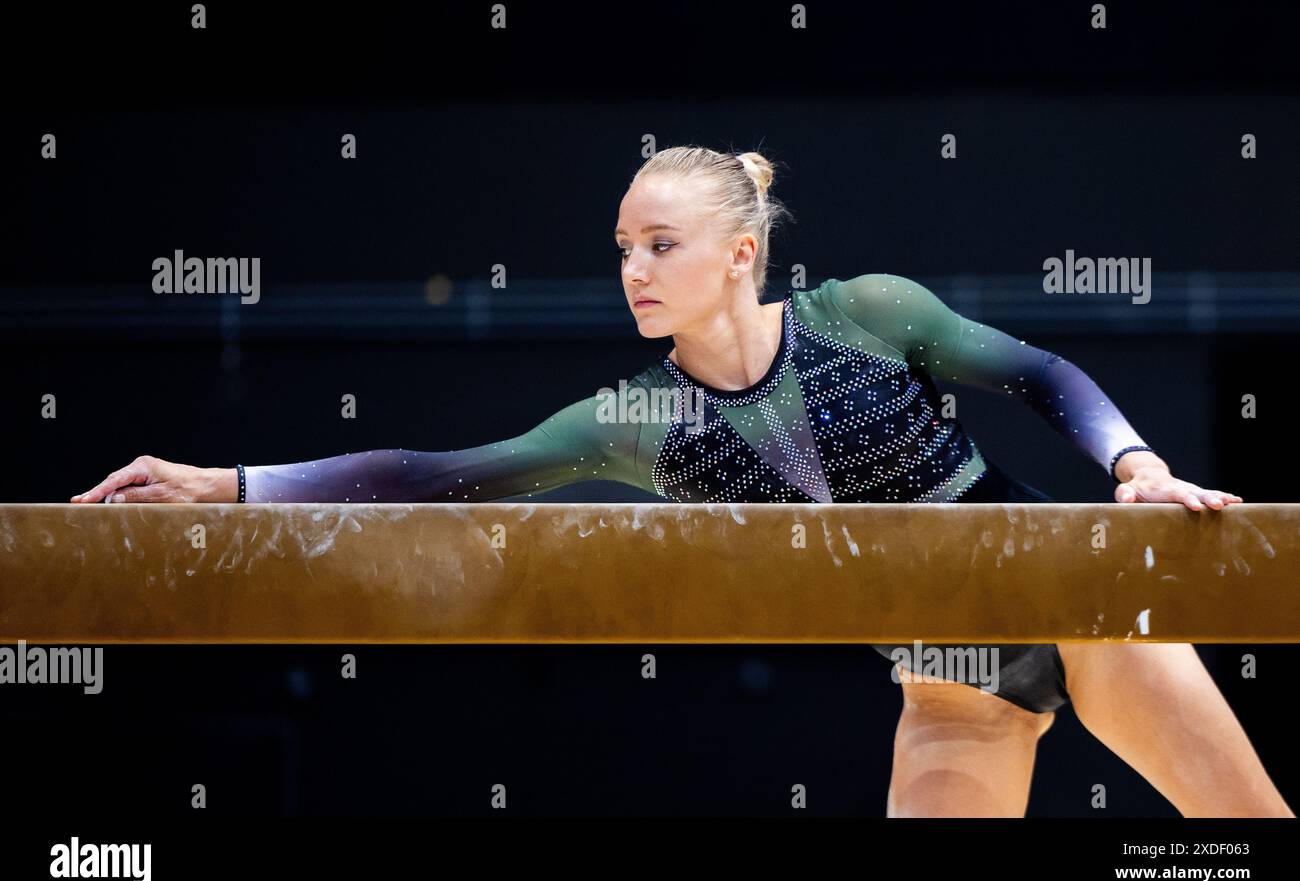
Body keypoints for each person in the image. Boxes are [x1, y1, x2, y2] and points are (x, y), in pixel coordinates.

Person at [72, 145, 1291, 818]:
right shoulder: (637, 421)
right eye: (621, 251)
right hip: (951, 686)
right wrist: (232, 482)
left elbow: (1039, 371)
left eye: (661, 245)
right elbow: (439, 473)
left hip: (1074, 613)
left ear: (741, 252)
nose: (634, 271)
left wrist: (1132, 464)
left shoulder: (864, 315)